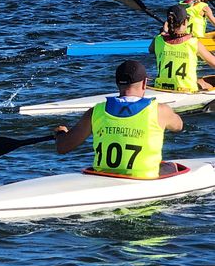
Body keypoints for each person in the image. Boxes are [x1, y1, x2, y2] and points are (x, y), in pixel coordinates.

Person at [54, 60, 183, 179]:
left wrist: (61, 133)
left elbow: (63, 147)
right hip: (143, 179)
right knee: (171, 167)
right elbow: (179, 126)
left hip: (103, 176)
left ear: (117, 83)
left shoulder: (96, 111)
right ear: (145, 83)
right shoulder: (160, 111)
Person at [149, 4, 215, 91]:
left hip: (161, 87)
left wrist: (164, 32)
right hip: (186, 90)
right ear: (185, 22)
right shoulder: (193, 43)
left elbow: (151, 50)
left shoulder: (158, 40)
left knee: (201, 82)